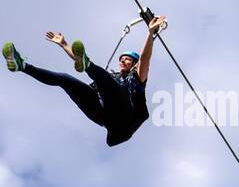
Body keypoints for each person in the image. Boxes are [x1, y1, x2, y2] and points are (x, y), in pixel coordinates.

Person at [4, 15, 166, 147]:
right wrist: (64, 45)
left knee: (105, 80)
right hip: (102, 114)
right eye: (121, 59)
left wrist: (150, 33)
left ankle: (88, 65)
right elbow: (80, 60)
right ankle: (22, 65)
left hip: (123, 120)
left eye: (127, 60)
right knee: (65, 79)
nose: (122, 61)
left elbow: (145, 59)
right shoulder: (113, 77)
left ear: (134, 64)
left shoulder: (136, 78)